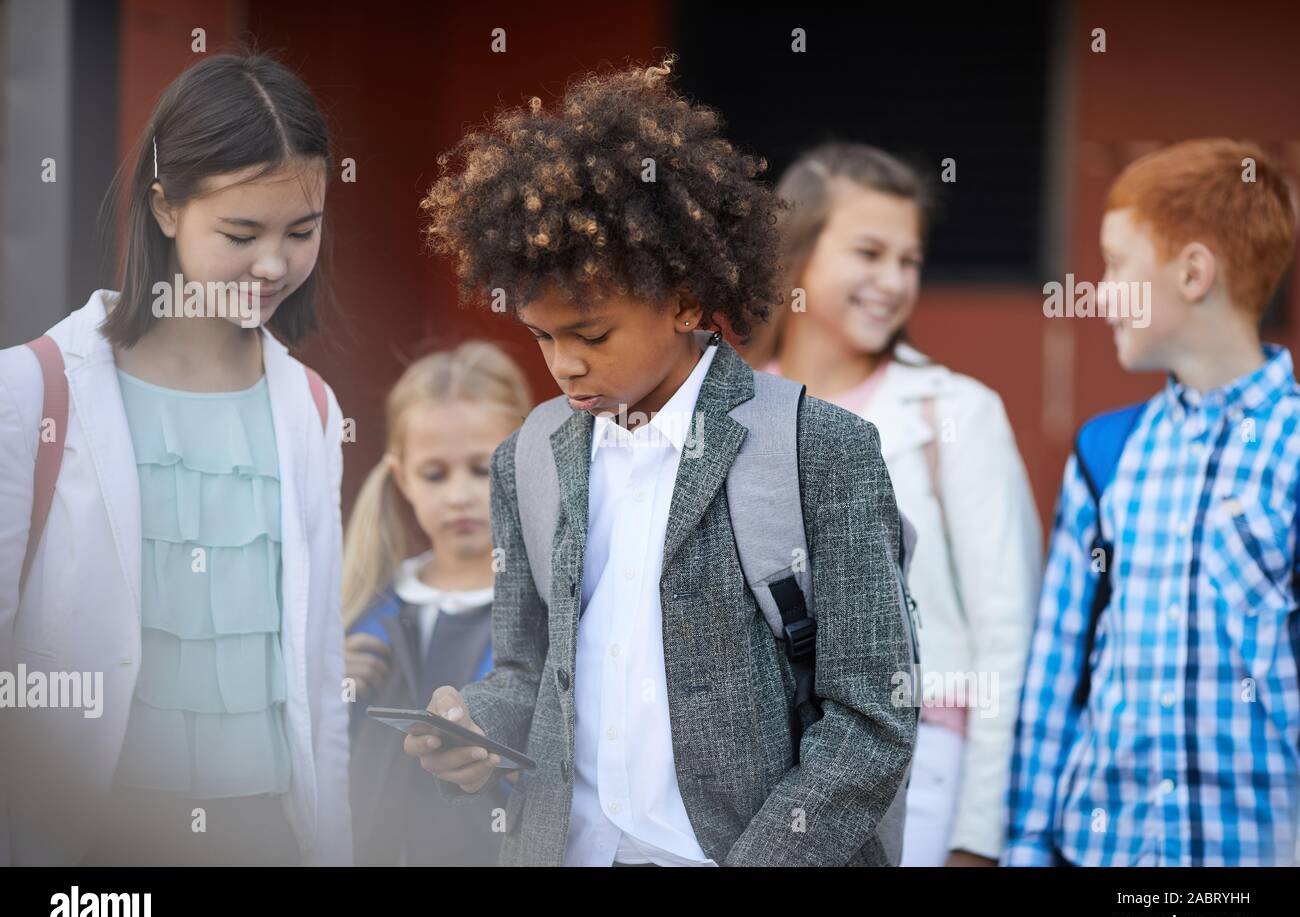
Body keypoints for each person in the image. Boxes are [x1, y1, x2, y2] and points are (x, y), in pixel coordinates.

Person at [402, 58, 916, 866]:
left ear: (683, 299)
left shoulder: (822, 451)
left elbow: (872, 721)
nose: (562, 365)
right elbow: (530, 673)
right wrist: (474, 726)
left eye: (592, 335)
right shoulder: (528, 459)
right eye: (542, 337)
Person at [0, 52, 351, 866]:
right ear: (164, 207)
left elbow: (318, 671)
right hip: (91, 843)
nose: (274, 265)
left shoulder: (311, 407)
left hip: (268, 836)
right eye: (241, 233)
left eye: (302, 231)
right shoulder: (34, 390)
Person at [1004, 138, 1300, 866]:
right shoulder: (1107, 455)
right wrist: (1026, 845)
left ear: (1193, 272)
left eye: (1116, 266)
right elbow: (1057, 669)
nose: (1099, 293)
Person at [752, 143, 1042, 866]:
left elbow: (1009, 638)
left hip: (922, 778)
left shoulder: (958, 412)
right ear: (796, 256)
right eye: (869, 252)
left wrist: (977, 837)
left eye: (908, 261)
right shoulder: (735, 412)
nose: (892, 281)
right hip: (761, 785)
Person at [344, 342, 531, 865]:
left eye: (482, 469)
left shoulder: (545, 610)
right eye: (434, 474)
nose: (459, 495)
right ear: (401, 477)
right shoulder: (366, 604)